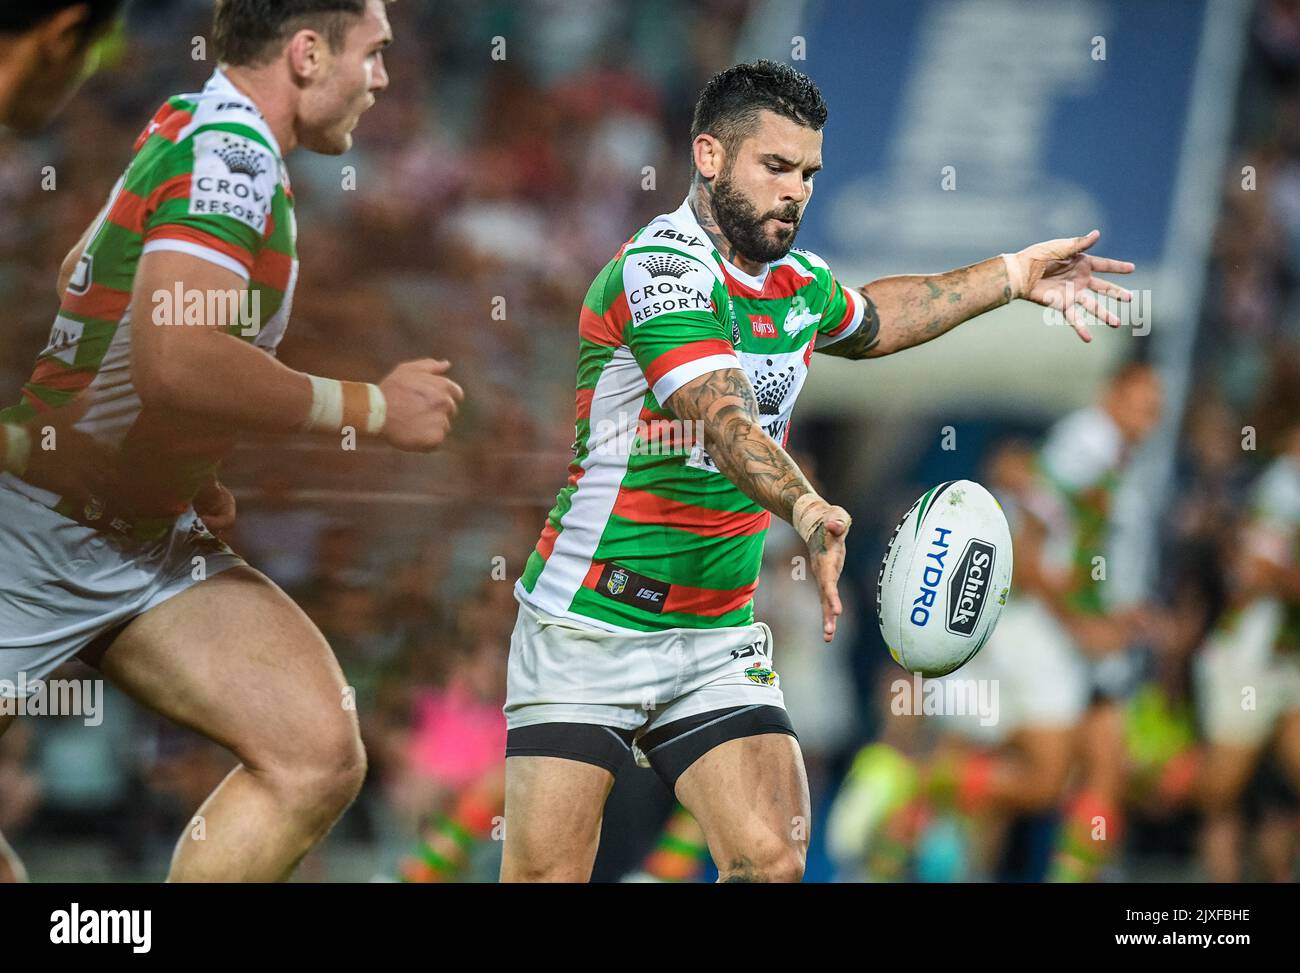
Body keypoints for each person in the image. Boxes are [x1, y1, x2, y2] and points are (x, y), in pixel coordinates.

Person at [500, 59, 1135, 882]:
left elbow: (878, 317)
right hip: (589, 621)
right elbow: (725, 421)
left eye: (809, 173)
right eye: (776, 166)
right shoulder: (658, 272)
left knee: (772, 857)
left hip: (715, 636)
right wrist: (805, 507)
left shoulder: (795, 285)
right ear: (708, 156)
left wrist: (1011, 277)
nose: (796, 191)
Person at [0, 0, 463, 882]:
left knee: (314, 753)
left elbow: (86, 276)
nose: (383, 79)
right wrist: (371, 408)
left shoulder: (190, 116)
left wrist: (169, 454)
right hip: (36, 533)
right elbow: (175, 356)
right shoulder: (235, 155)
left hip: (137, 533)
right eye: (373, 54)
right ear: (305, 53)